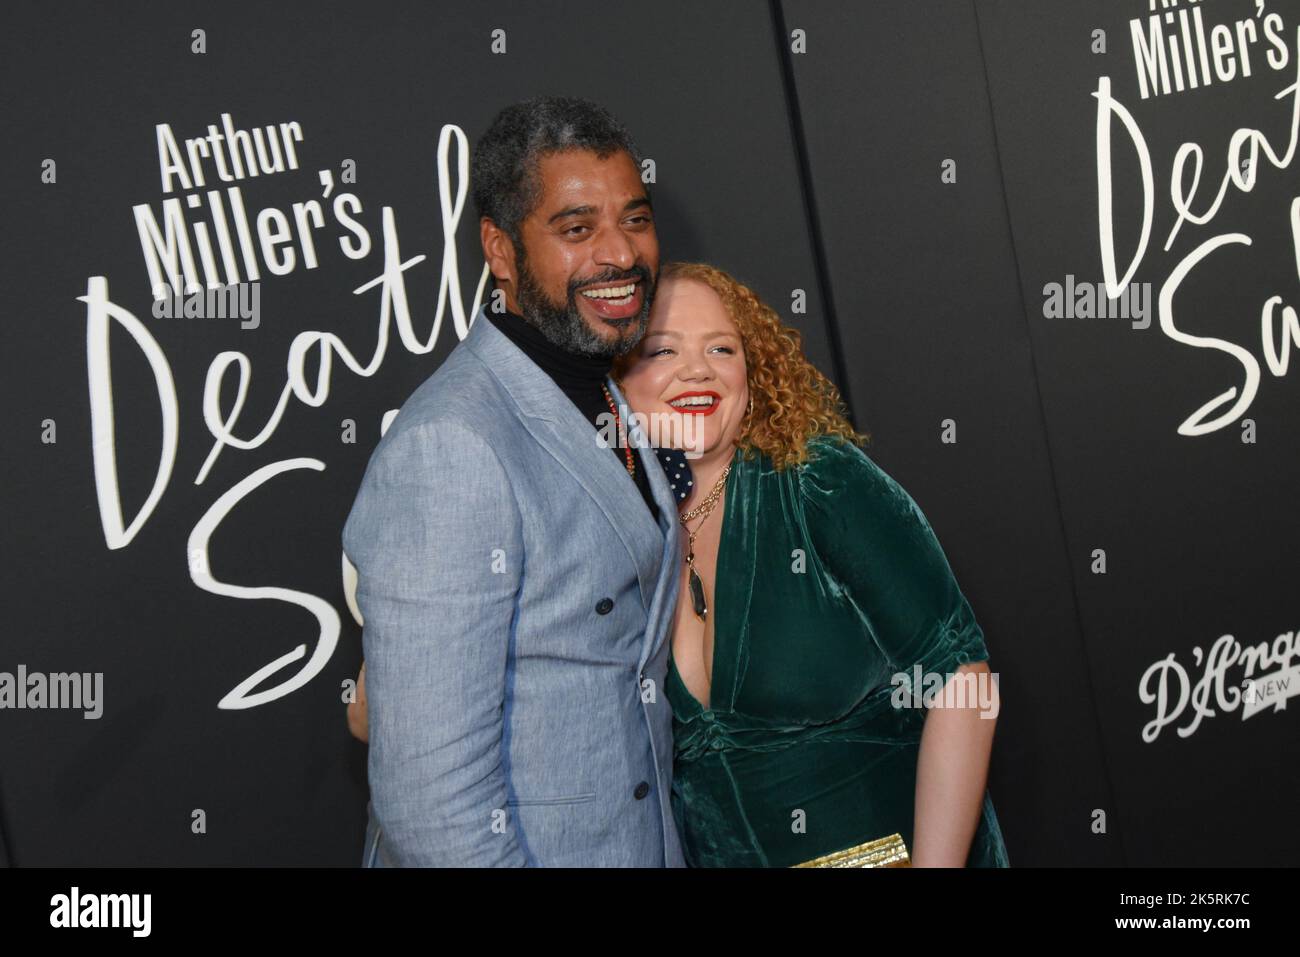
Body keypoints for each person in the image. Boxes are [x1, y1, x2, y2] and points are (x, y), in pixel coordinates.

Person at [341, 96, 686, 866]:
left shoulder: (601, 387)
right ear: (500, 250)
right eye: (576, 229)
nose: (620, 254)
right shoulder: (451, 446)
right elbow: (430, 802)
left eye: (634, 218)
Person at [610, 261, 1011, 867]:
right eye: (662, 351)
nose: (698, 369)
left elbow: (961, 681)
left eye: (722, 347)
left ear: (751, 369)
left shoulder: (815, 481)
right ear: (614, 384)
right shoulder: (621, 536)